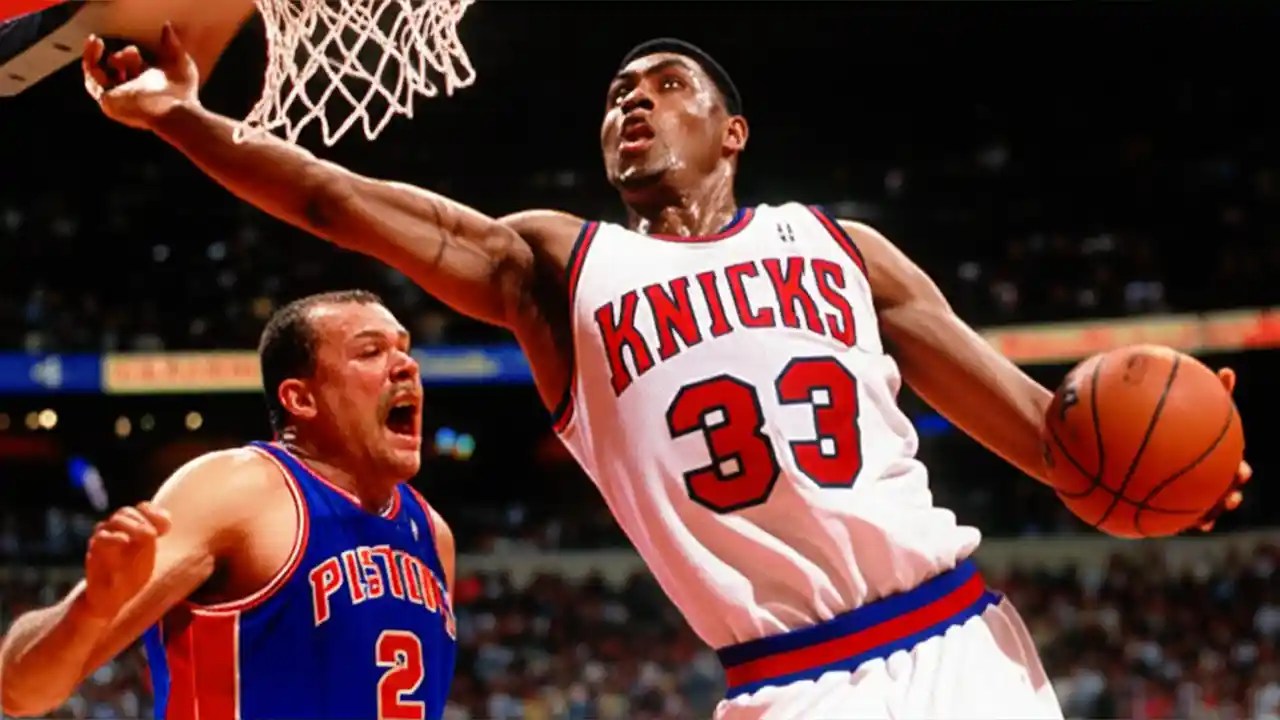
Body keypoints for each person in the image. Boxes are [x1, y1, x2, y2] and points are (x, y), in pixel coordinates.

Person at [78, 26, 1251, 719]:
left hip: (962, 649)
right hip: (783, 678)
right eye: (613, 96)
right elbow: (344, 204)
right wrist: (184, 118)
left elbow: (1053, 439)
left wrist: (1167, 462)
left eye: (663, 85)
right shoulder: (556, 268)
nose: (631, 101)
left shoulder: (844, 249)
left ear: (729, 132)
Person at [0, 290, 458, 720]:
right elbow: (19, 690)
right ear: (300, 398)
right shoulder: (238, 490)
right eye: (370, 351)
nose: (406, 366)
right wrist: (92, 607)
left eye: (404, 348)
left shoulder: (433, 534)